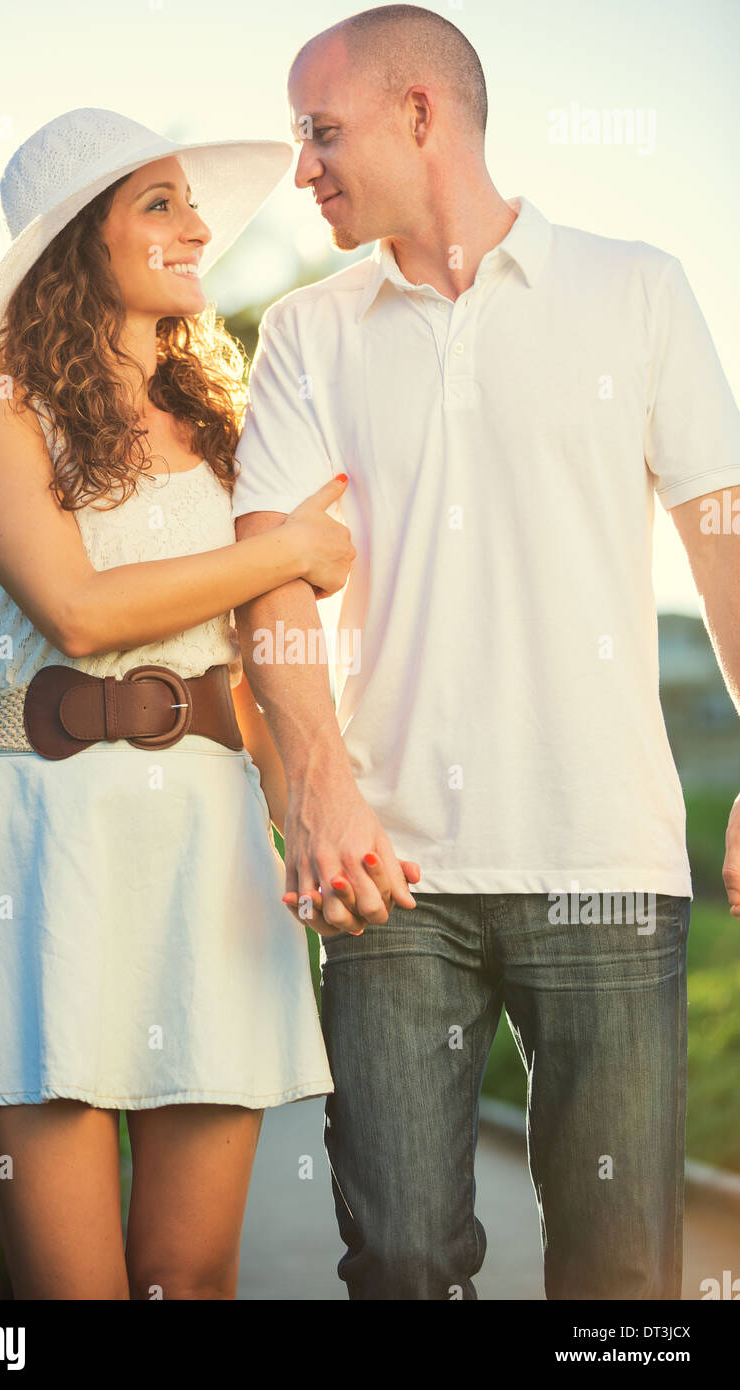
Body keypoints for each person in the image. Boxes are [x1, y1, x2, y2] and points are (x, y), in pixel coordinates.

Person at [232, 6, 740, 1299]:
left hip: (606, 860)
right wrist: (318, 780)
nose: (303, 167)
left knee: (620, 1273)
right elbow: (273, 587)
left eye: (319, 130)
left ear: (420, 115)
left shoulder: (637, 288)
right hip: (389, 865)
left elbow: (720, 544)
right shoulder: (304, 333)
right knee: (398, 1260)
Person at [0, 106, 357, 1301]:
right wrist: (289, 546)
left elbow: (268, 662)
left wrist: (314, 803)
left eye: (190, 202)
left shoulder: (231, 425)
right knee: (71, 1296)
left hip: (206, 847)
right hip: (45, 845)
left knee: (189, 1280)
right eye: (158, 202)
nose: (197, 226)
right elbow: (81, 612)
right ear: (72, 241)